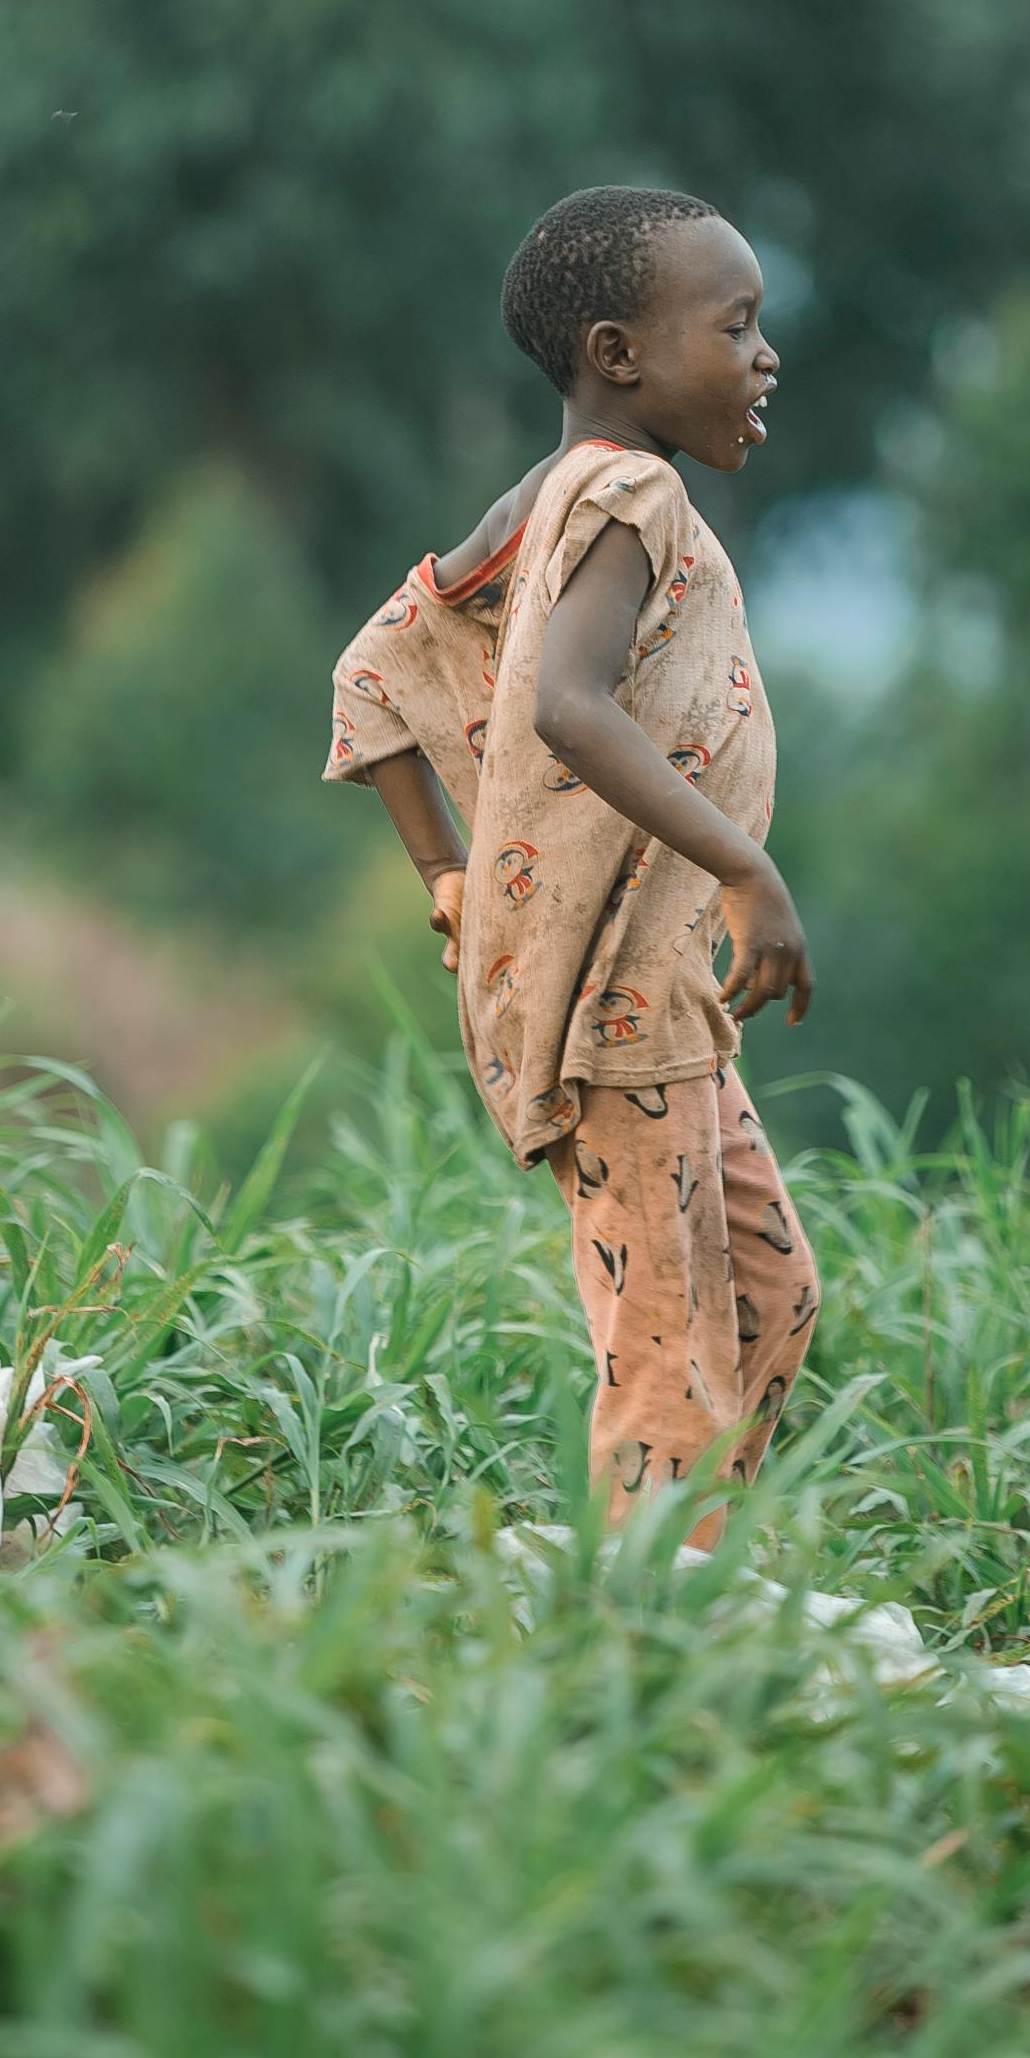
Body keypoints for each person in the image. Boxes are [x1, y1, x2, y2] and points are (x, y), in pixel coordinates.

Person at [324, 186, 819, 1542]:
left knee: (771, 1298)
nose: (764, 355)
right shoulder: (626, 488)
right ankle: (646, 1650)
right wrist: (745, 872)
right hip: (614, 1011)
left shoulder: (545, 499)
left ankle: (692, 1570)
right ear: (620, 355)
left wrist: (447, 874)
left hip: (658, 1001)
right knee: (666, 1347)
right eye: (737, 325)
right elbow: (568, 704)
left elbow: (375, 669)